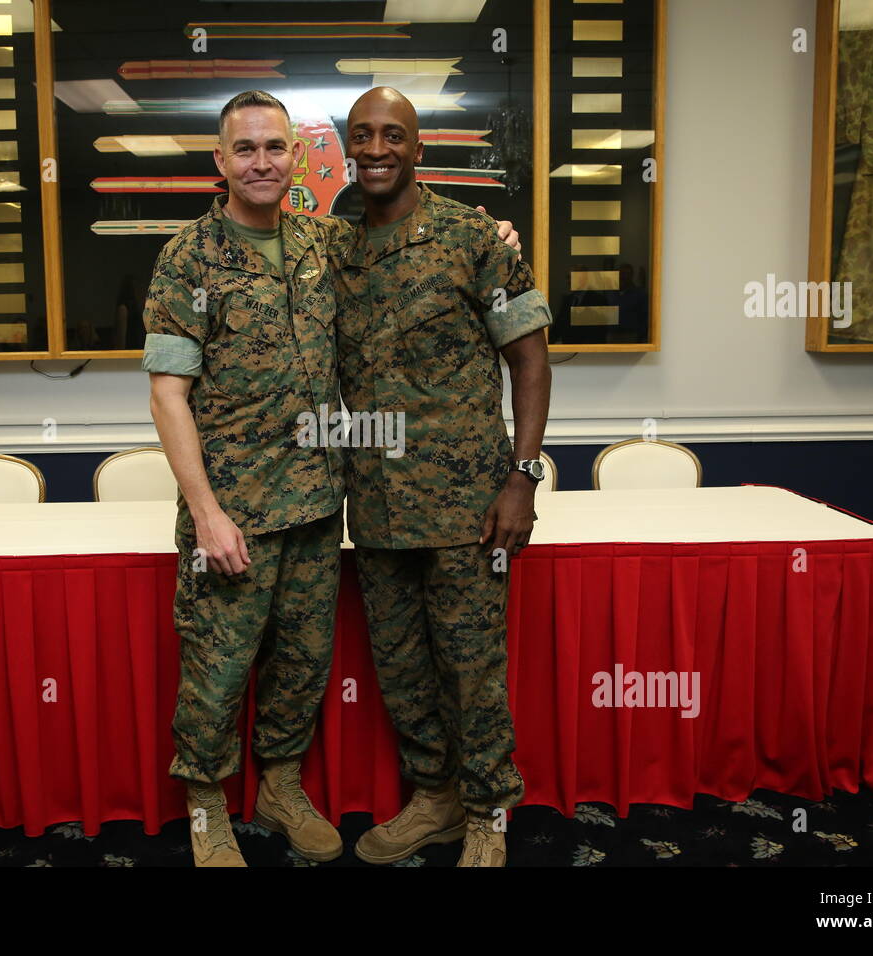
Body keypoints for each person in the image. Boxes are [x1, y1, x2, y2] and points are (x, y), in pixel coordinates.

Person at [142, 89, 524, 867]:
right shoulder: (188, 258)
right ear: (220, 161)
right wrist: (206, 512)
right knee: (216, 672)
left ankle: (280, 786)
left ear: (297, 158)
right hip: (235, 512)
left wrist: (496, 236)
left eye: (274, 148)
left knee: (301, 668)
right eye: (244, 149)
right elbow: (166, 392)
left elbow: (425, 247)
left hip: (319, 504)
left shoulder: (328, 245)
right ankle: (208, 809)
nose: (260, 162)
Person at [333, 87, 553, 867]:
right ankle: (435, 797)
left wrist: (522, 478)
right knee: (400, 666)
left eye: (394, 135)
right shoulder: (333, 248)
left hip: (468, 507)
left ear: (419, 148)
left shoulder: (473, 237)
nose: (377, 148)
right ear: (348, 146)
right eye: (363, 135)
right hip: (377, 505)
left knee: (471, 666)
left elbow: (528, 358)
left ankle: (490, 811)